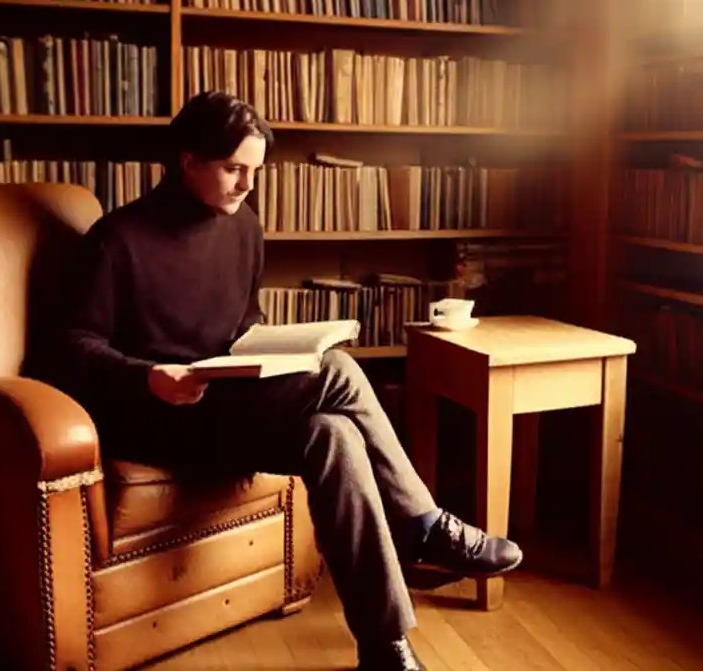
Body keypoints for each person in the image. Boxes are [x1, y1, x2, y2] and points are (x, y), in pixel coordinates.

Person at [54, 91, 522, 671]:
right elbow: (70, 348)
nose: (247, 185)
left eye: (255, 171)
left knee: (334, 434)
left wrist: (271, 349)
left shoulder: (244, 225)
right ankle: (424, 525)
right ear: (187, 160)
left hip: (227, 404)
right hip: (158, 417)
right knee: (339, 370)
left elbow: (241, 322)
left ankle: (384, 645)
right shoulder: (117, 239)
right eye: (234, 169)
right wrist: (148, 376)